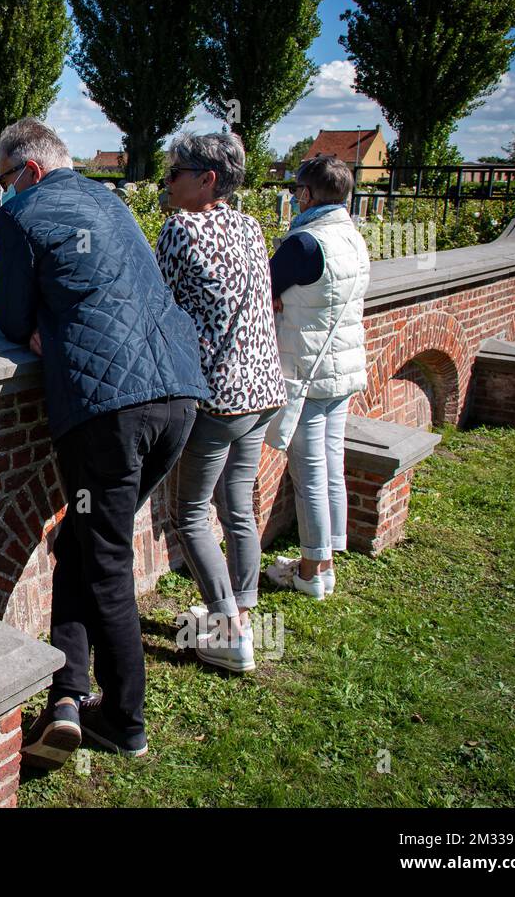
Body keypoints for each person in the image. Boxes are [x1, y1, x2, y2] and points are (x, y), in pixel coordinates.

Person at [0, 118, 209, 770]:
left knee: (104, 561)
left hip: (109, 410)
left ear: (28, 171)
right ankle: (68, 696)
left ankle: (124, 720)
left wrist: (42, 329)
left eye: (1, 178)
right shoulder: (108, 199)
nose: (0, 190)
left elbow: (8, 316)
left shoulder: (25, 209)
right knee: (83, 544)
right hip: (177, 394)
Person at [155, 133, 287, 674]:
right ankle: (244, 606)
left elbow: (155, 304)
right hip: (261, 389)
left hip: (217, 397)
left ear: (207, 178)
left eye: (174, 173)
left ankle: (229, 634)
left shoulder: (180, 229)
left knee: (189, 516)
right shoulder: (250, 224)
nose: (166, 183)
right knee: (237, 506)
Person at [264, 155, 371, 599]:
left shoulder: (305, 243)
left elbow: (264, 291)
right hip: (343, 369)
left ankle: (310, 572)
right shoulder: (354, 236)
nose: (293, 199)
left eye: (295, 192)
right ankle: (325, 563)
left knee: (308, 475)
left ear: (307, 195)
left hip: (306, 372)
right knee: (331, 469)